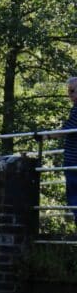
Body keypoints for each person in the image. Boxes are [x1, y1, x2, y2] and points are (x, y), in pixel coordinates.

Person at [60, 77, 77, 223]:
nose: (69, 94)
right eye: (68, 91)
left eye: (72, 91)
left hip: (74, 162)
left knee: (74, 197)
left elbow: (67, 130)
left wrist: (45, 135)